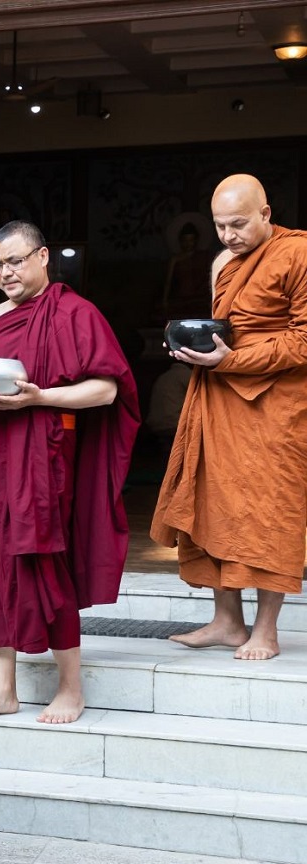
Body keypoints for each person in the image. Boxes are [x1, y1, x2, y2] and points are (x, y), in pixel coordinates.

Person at [0, 221, 139, 725]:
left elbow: (107, 390)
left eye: (15, 261)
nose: (6, 272)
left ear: (43, 257)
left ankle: (70, 688)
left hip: (43, 458)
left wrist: (41, 397)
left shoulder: (75, 313)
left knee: (45, 563)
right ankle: (3, 689)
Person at [152, 174, 307, 661]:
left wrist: (230, 361)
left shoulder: (298, 253)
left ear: (265, 213)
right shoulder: (226, 262)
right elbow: (232, 330)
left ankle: (265, 629)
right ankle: (226, 621)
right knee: (212, 500)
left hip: (275, 405)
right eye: (221, 226)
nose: (228, 235)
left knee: (267, 510)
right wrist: (195, 347)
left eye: (238, 224)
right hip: (220, 400)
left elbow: (302, 340)